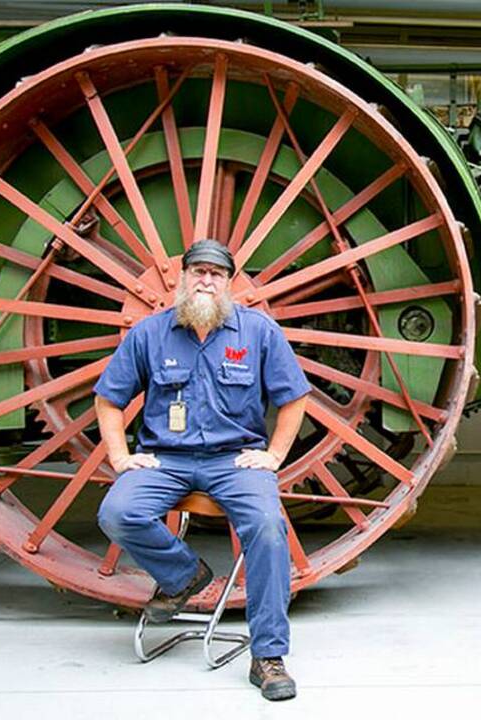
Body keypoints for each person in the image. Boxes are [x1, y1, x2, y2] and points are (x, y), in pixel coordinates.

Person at [93, 239, 311, 702]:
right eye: (198, 272)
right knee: (117, 512)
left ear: (229, 282)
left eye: (216, 274)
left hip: (235, 460)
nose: (206, 281)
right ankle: (183, 575)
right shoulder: (149, 334)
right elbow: (109, 399)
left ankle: (268, 656)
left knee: (269, 528)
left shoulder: (258, 332)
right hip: (165, 459)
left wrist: (273, 456)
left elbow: (294, 397)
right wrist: (119, 458)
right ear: (183, 278)